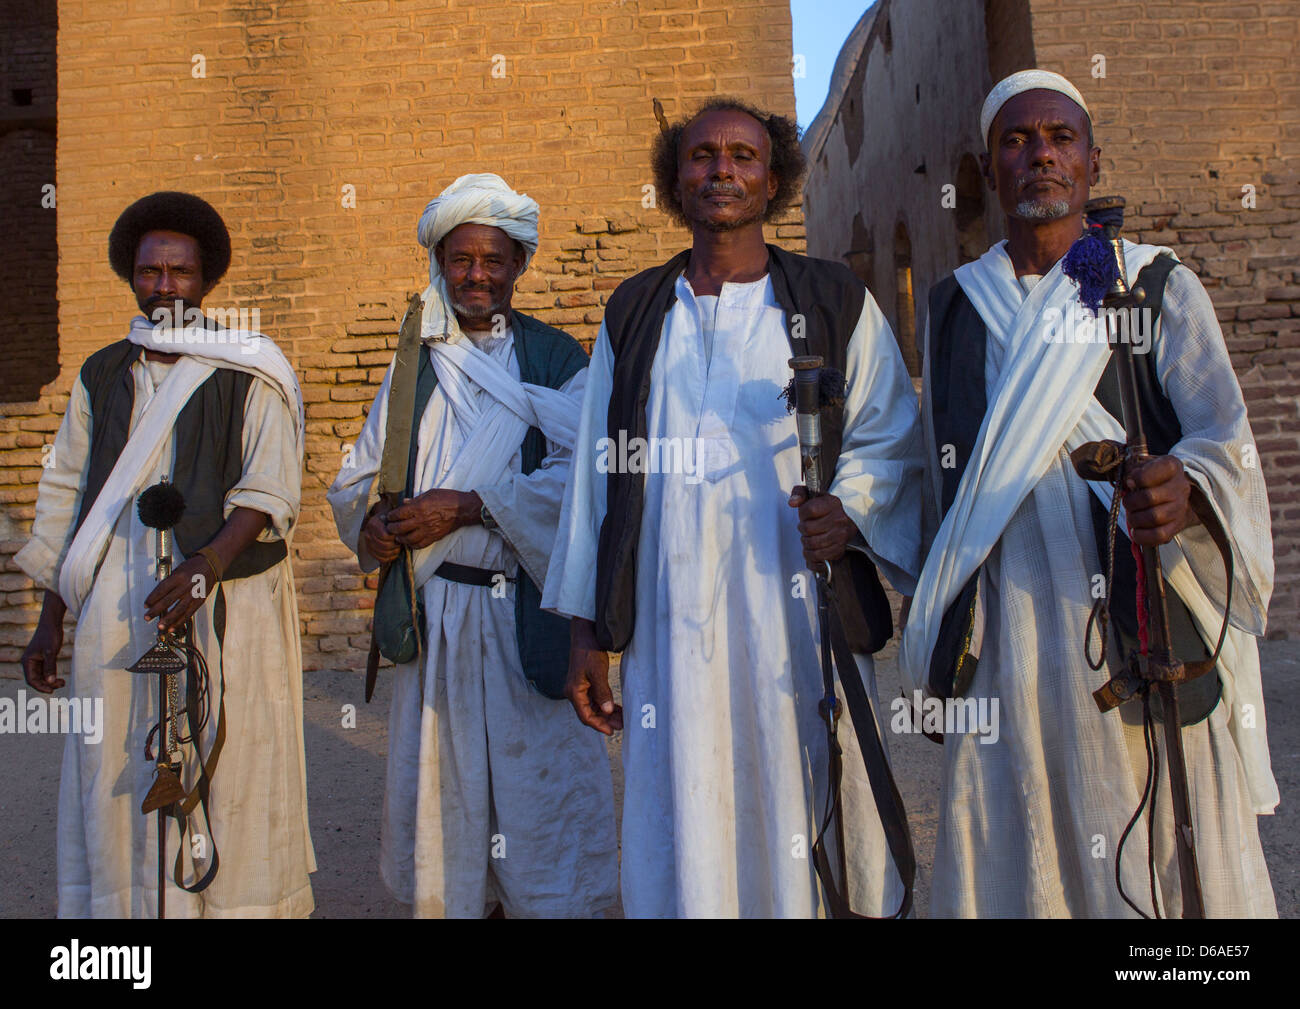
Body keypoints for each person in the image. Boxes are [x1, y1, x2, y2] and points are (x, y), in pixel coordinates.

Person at [903, 70, 1277, 917]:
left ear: (1092, 161)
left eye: (1060, 138)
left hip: (1142, 614)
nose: (1041, 155)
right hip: (1008, 628)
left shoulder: (1154, 283)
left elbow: (1224, 439)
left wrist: (1188, 488)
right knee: (1020, 829)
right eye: (1018, 140)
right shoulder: (953, 306)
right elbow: (941, 476)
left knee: (1168, 848)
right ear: (991, 170)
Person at [544, 100, 924, 917]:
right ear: (675, 179)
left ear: (774, 178)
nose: (723, 170)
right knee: (686, 795)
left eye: (743, 156)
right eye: (703, 156)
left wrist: (849, 509)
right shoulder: (637, 309)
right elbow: (596, 478)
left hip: (795, 609)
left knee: (808, 783)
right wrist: (585, 631)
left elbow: (892, 430)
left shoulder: (833, 296)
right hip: (670, 619)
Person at [327, 173, 619, 918]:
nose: (478, 275)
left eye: (495, 259)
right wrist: (370, 522)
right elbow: (360, 472)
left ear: (519, 263)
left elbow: (583, 478)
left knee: (538, 796)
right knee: (446, 796)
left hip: (529, 608)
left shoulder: (560, 360)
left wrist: (469, 506)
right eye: (462, 260)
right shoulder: (413, 362)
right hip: (441, 618)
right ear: (441, 264)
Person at [18, 191, 315, 917]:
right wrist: (50, 618)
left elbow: (268, 487)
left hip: (226, 601)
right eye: (150, 272)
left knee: (233, 760)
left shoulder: (251, 367)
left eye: (180, 272)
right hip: (117, 610)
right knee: (115, 763)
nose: (164, 287)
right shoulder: (100, 375)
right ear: (132, 276)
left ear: (205, 278)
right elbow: (66, 496)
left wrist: (205, 565)